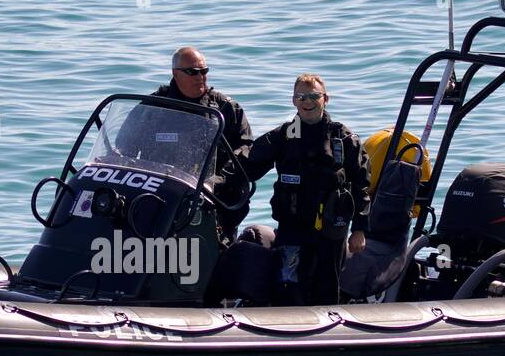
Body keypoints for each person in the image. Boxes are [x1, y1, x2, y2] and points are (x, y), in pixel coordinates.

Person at [239, 74, 370, 305]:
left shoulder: (345, 139)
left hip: (331, 233)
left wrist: (359, 229)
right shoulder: (281, 137)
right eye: (301, 96)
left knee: (327, 293)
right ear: (293, 101)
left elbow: (362, 185)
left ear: (325, 98)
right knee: (288, 289)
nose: (307, 101)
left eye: (313, 96)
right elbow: (246, 166)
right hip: (293, 230)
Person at [152, 46, 253, 244]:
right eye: (193, 72)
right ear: (175, 73)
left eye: (204, 71)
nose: (200, 77)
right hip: (164, 195)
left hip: (213, 198)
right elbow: (124, 147)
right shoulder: (154, 107)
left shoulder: (226, 108)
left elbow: (247, 149)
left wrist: (218, 180)